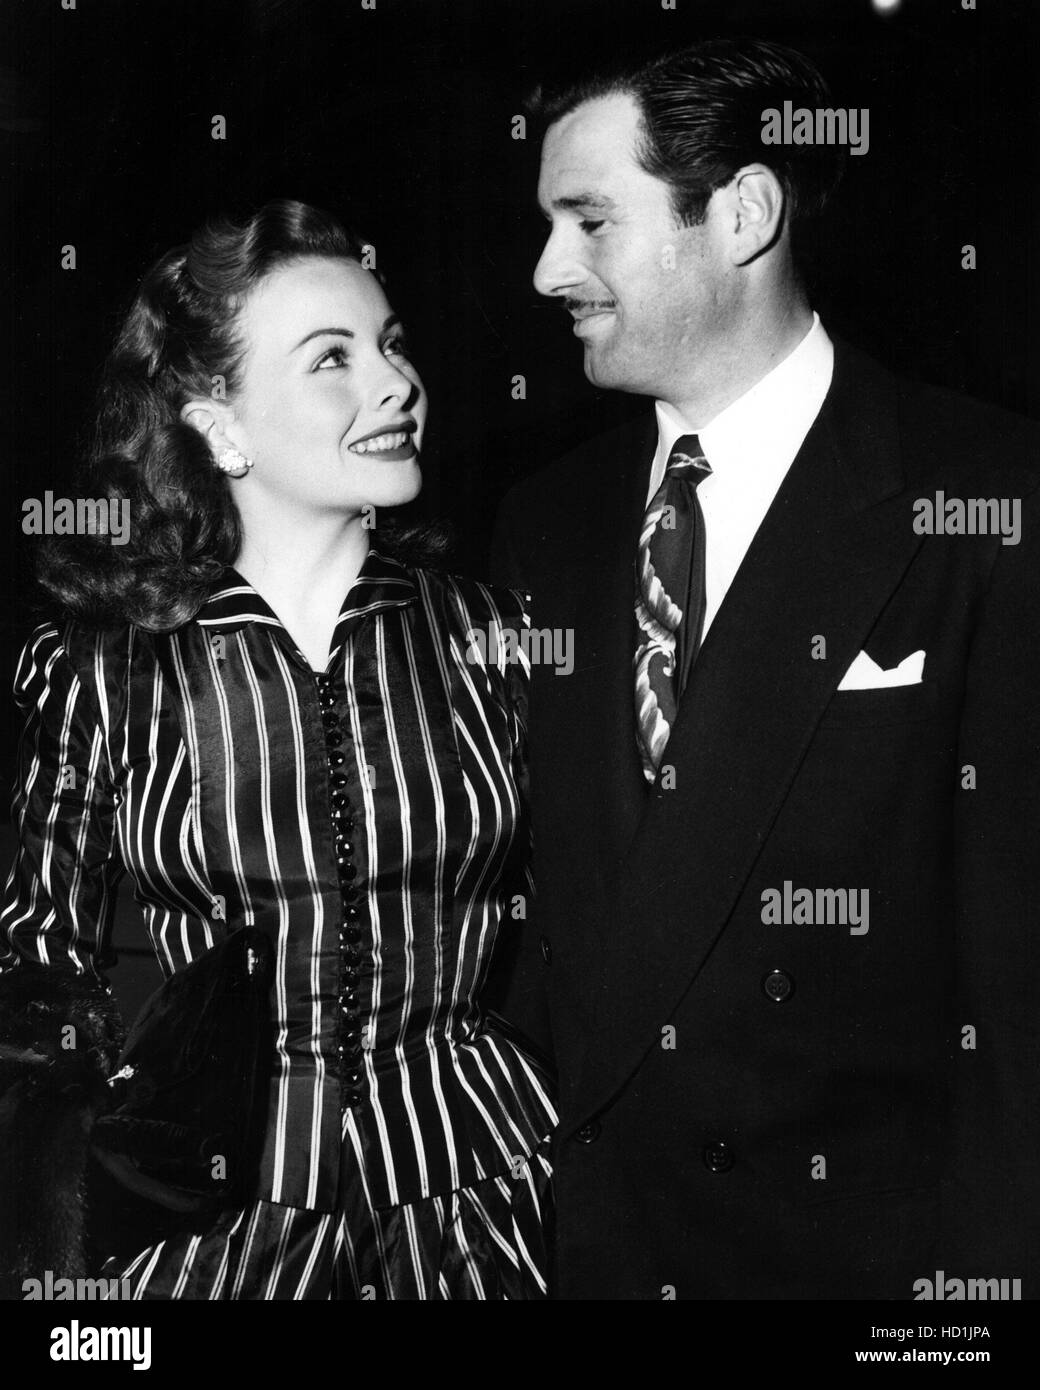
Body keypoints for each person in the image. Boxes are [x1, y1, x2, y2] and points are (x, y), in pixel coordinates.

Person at [491, 39, 1040, 1299]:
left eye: (587, 221)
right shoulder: (543, 523)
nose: (545, 271)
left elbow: (1018, 1011)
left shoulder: (986, 499)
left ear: (742, 212)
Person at [0, 199, 555, 1300]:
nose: (394, 384)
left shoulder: (498, 639)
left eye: (391, 345)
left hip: (490, 1208)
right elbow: (33, 975)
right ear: (219, 425)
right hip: (208, 1231)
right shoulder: (101, 667)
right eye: (331, 360)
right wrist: (86, 1192)